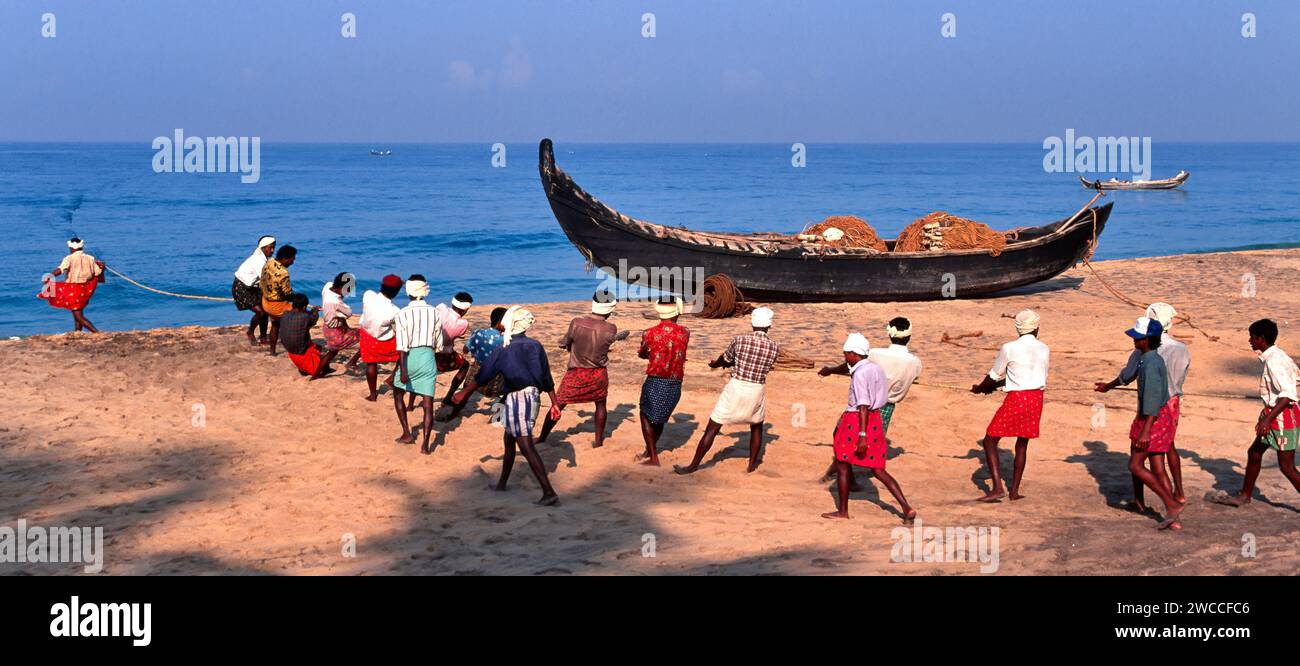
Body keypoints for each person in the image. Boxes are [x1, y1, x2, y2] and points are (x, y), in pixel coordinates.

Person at [451, 307, 561, 505]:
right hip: (528, 396)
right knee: (509, 439)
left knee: (525, 444)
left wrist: (464, 392)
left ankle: (548, 492)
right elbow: (546, 377)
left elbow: (484, 374)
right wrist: (554, 403)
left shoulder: (504, 349)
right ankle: (502, 484)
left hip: (520, 397)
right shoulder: (535, 346)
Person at [1095, 302, 1190, 504]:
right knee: (1168, 447)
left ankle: (1145, 501)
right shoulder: (1181, 348)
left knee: (1143, 458)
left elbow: (1128, 375)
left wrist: (1109, 386)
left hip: (1152, 409)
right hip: (1173, 403)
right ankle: (1178, 493)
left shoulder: (1145, 355)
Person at [821, 334, 916, 522]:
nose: (845, 356)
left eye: (846, 353)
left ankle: (842, 511)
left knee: (842, 464)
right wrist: (830, 370)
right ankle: (906, 507)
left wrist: (862, 435)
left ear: (854, 354)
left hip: (857, 420)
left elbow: (862, 404)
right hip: (875, 419)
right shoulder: (875, 368)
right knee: (878, 470)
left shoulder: (860, 374)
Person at [675, 306, 779, 475]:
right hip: (756, 389)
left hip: (736, 386)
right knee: (757, 427)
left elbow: (727, 359)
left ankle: (693, 465)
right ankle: (751, 465)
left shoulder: (740, 340)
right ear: (769, 326)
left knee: (713, 427)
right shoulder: (774, 347)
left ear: (752, 323)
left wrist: (715, 364)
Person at [820, 316, 922, 482]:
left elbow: (850, 366)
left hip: (864, 404)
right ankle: (839, 470)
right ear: (909, 337)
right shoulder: (915, 362)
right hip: (887, 407)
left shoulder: (875, 354)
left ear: (889, 334)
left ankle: (844, 474)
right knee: (869, 441)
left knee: (842, 435)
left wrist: (830, 370)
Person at [1217, 319, 1300, 507]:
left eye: (1252, 337)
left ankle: (1245, 495)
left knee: (1287, 467)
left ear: (1261, 339)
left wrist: (1267, 420)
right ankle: (1245, 495)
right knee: (1254, 453)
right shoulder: (1277, 355)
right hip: (1274, 413)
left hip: (1281, 416)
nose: (1250, 341)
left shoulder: (1275, 361)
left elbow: (1287, 395)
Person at [969, 309, 1049, 502]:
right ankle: (1014, 491)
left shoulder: (1009, 348)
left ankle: (997, 488)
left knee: (990, 440)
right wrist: (991, 386)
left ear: (1018, 329)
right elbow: (1018, 377)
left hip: (1017, 398)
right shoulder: (1044, 348)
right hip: (1036, 398)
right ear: (1036, 328)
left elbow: (993, 376)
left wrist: (981, 388)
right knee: (1022, 444)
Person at [1121, 316, 1184, 529]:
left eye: (1137, 338)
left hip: (1151, 419)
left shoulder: (1149, 363)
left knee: (1135, 465)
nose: (1134, 341)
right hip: (1159, 417)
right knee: (1157, 465)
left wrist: (1146, 431)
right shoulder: (1152, 358)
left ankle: (1171, 504)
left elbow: (1152, 397)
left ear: (1146, 340)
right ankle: (1173, 518)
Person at [539, 291, 621, 448]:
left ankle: (543, 437)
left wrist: (568, 345)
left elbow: (565, 342)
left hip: (577, 372)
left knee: (558, 404)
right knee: (601, 404)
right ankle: (598, 441)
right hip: (598, 373)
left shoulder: (576, 322)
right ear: (610, 309)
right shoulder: (611, 329)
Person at [391, 276, 443, 454]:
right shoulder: (435, 312)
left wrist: (403, 370)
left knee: (398, 394)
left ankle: (407, 433)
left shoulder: (402, 313)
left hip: (410, 358)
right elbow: (439, 341)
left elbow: (401, 345)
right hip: (428, 357)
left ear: (408, 292)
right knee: (428, 404)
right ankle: (426, 445)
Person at [637, 297, 690, 466]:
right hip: (675, 382)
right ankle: (650, 450)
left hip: (655, 380)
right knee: (659, 419)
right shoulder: (685, 332)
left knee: (645, 413)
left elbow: (643, 352)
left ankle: (653, 456)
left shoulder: (649, 333)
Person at [441, 306, 509, 421]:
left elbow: (465, 350)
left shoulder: (479, 333)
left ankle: (452, 414)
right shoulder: (507, 341)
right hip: (495, 383)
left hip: (475, 377)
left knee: (465, 393)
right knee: (509, 391)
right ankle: (497, 417)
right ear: (500, 323)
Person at [40, 237, 106, 333]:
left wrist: (50, 275)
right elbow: (97, 273)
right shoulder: (90, 258)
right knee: (77, 311)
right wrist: (102, 267)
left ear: (72, 248)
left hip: (73, 289)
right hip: (85, 289)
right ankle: (77, 333)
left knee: (78, 315)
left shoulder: (69, 258)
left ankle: (97, 333)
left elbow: (61, 269)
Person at [358, 274, 403, 401]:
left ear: (382, 286)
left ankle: (373, 394)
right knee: (405, 353)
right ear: (396, 292)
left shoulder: (368, 295)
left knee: (371, 364)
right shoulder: (395, 311)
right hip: (382, 341)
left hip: (366, 336)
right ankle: (392, 378)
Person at [316, 272, 361, 380]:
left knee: (332, 352)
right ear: (342, 287)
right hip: (336, 331)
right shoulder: (335, 301)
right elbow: (349, 312)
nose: (349, 292)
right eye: (349, 289)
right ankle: (352, 361)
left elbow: (329, 284)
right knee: (364, 335)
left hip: (327, 328)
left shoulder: (327, 287)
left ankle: (318, 374)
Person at [432, 292, 475, 407]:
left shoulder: (441, 307)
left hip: (427, 351)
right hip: (443, 357)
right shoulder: (463, 323)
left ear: (452, 302)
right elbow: (458, 335)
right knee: (465, 365)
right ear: (466, 309)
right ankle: (448, 396)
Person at [231, 235, 275, 345]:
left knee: (265, 311)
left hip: (254, 287)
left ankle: (264, 338)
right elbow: (266, 279)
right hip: (241, 287)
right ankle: (250, 332)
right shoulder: (258, 261)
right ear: (264, 248)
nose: (272, 250)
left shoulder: (266, 259)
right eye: (270, 248)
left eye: (274, 247)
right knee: (260, 312)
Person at [259, 245, 297, 355]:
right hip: (277, 306)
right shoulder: (283, 273)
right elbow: (288, 294)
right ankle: (300, 347)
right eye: (292, 259)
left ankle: (272, 351)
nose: (293, 262)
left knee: (275, 325)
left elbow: (262, 281)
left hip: (265, 301)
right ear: (285, 258)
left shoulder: (269, 262)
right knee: (302, 318)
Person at [279, 293, 326, 377]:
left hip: (290, 351)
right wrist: (315, 310)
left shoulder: (285, 314)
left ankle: (304, 366)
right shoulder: (305, 317)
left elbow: (304, 316)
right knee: (322, 365)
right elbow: (313, 319)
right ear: (304, 307)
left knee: (316, 346)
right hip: (301, 351)